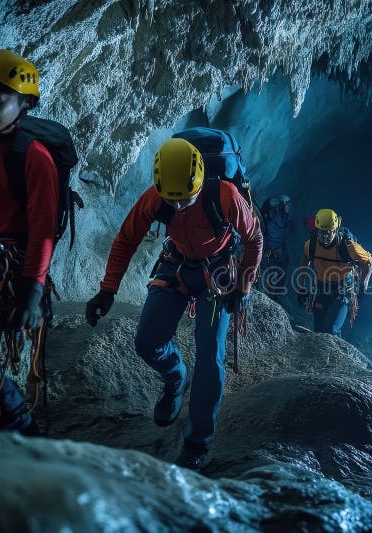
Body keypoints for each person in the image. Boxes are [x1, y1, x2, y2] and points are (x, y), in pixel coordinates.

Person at [85, 138, 262, 471]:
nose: (179, 208)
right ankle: (175, 377)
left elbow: (254, 239)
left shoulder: (225, 195)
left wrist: (243, 286)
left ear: (199, 183)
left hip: (218, 271)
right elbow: (126, 239)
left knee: (210, 354)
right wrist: (107, 290)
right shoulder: (154, 197)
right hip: (176, 264)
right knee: (147, 341)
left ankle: (197, 442)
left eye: (187, 200)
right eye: (173, 201)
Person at [0, 50, 58, 435]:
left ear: (24, 105)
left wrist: (32, 293)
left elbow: (43, 231)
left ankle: (22, 431)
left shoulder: (33, 158)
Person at [297, 208, 372, 336]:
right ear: (317, 230)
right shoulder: (311, 245)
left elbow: (369, 262)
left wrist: (363, 284)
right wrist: (301, 286)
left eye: (329, 232)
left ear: (336, 230)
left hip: (343, 290)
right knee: (319, 330)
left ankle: (336, 353)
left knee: (332, 330)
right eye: (321, 232)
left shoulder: (348, 246)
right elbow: (305, 260)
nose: (324, 236)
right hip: (322, 288)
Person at [260, 194, 293, 299]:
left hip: (275, 248)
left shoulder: (282, 215)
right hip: (271, 248)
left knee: (280, 269)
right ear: (283, 205)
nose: (289, 207)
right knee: (277, 270)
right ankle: (273, 295)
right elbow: (272, 233)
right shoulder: (274, 214)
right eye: (287, 205)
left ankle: (274, 294)